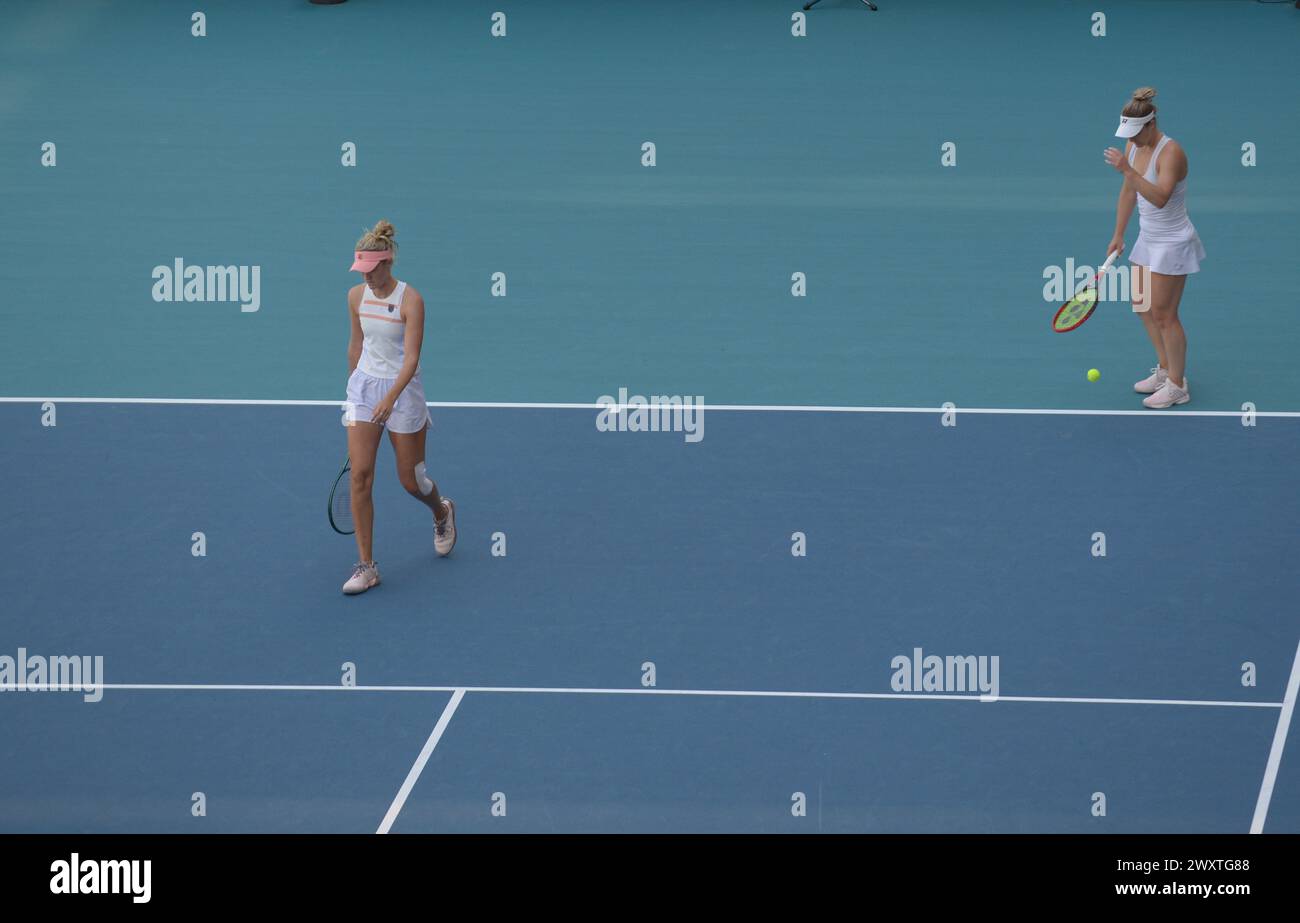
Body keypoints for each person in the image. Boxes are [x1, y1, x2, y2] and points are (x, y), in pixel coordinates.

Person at [341, 220, 456, 595]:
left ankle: (441, 511)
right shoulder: (356, 297)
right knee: (360, 475)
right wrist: (354, 393)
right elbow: (356, 345)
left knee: (412, 481)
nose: (368, 279)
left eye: (372, 271)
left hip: (402, 392)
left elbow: (411, 359)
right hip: (364, 389)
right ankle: (366, 566)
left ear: (387, 263)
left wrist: (389, 399)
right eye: (363, 272)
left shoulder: (411, 301)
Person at [1103, 87, 1205, 409]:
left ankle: (1178, 385)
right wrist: (1119, 234)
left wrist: (1127, 170)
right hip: (1147, 239)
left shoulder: (1171, 152)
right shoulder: (1133, 147)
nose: (1131, 140)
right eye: (1127, 135)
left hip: (1173, 242)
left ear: (1151, 124)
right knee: (1141, 304)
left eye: (1135, 133)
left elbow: (1160, 198)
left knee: (1165, 314)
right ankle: (1164, 370)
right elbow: (1128, 192)